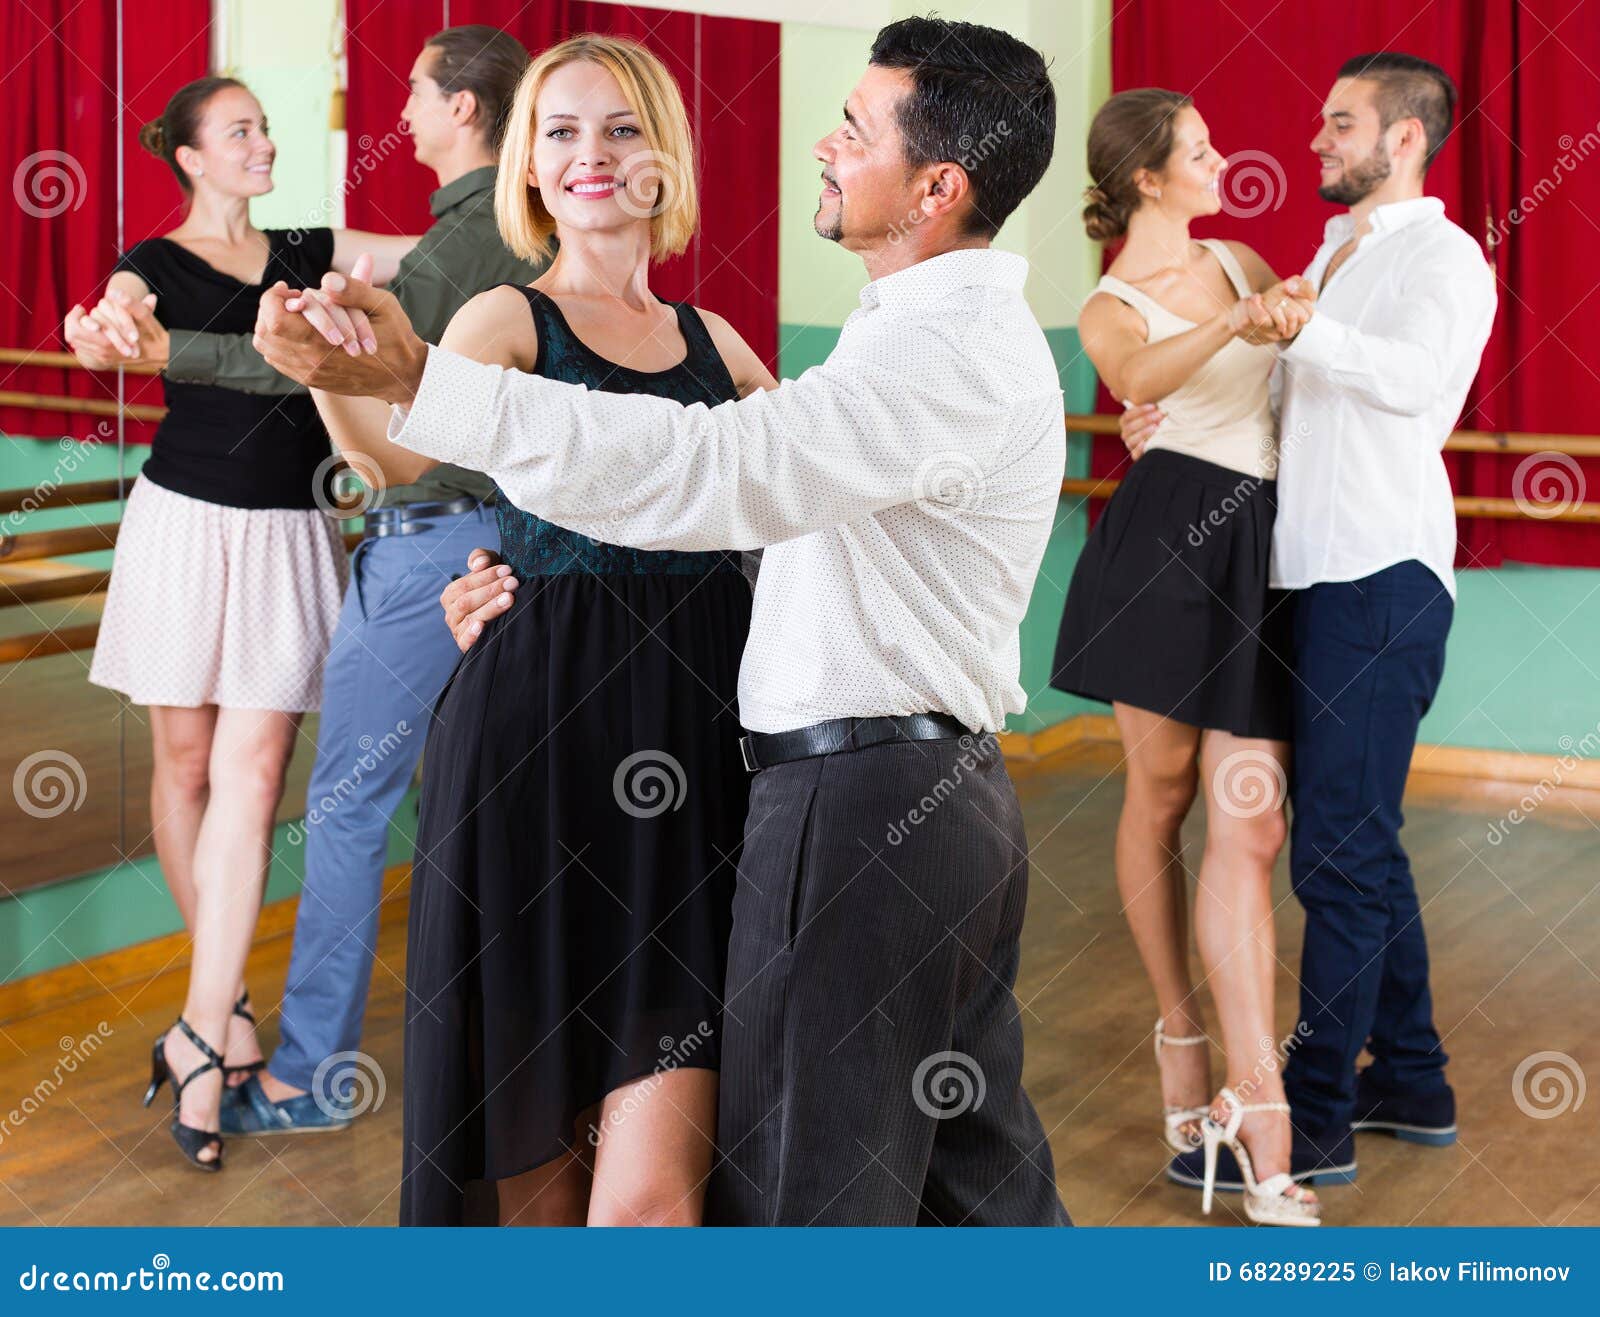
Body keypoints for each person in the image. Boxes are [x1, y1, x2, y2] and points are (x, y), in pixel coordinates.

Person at [257, 15, 1071, 1227]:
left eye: (854, 129)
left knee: (814, 1195)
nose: (826, 146)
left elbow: (721, 475)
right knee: (973, 1182)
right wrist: (486, 576)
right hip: (598, 749)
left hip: (814, 791)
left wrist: (419, 377)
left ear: (937, 185)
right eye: (563, 130)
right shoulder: (895, 334)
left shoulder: (914, 351)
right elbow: (769, 509)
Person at [283, 34, 764, 1225]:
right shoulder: (507, 316)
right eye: (559, 131)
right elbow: (403, 460)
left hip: (704, 730)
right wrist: (324, 370)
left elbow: (802, 515)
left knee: (664, 1124)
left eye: (618, 128)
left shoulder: (722, 345)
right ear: (531, 170)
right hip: (538, 722)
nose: (589, 154)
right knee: (533, 1137)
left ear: (664, 156)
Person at [1125, 53, 1496, 1193]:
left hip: (1378, 576)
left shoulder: (1444, 257)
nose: (1315, 141)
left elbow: (1413, 376)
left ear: (1402, 141)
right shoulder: (1333, 254)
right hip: (1306, 579)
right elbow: (1281, 406)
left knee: (1334, 854)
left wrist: (1298, 327)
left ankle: (1318, 1115)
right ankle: (1413, 1078)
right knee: (1358, 839)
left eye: (1340, 125)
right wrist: (1171, 430)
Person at [65, 75, 421, 1169]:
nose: (265, 144)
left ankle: (199, 1027)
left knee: (255, 776)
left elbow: (423, 247)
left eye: (266, 128)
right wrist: (104, 329)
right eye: (242, 133)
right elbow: (115, 314)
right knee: (184, 767)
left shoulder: (308, 243)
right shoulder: (155, 260)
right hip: (181, 524)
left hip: (286, 533)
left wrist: (524, 197)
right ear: (190, 156)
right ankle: (220, 1019)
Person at [1050, 89, 1320, 1227]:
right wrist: (1234, 326)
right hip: (1166, 542)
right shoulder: (1105, 302)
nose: (1221, 162)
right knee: (1158, 796)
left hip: (1260, 540)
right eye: (1200, 152)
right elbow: (1139, 382)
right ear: (1148, 179)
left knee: (1248, 816)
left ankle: (1260, 1120)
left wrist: (1273, 312)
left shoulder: (1243, 257)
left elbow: (1293, 374)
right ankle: (1178, 1027)